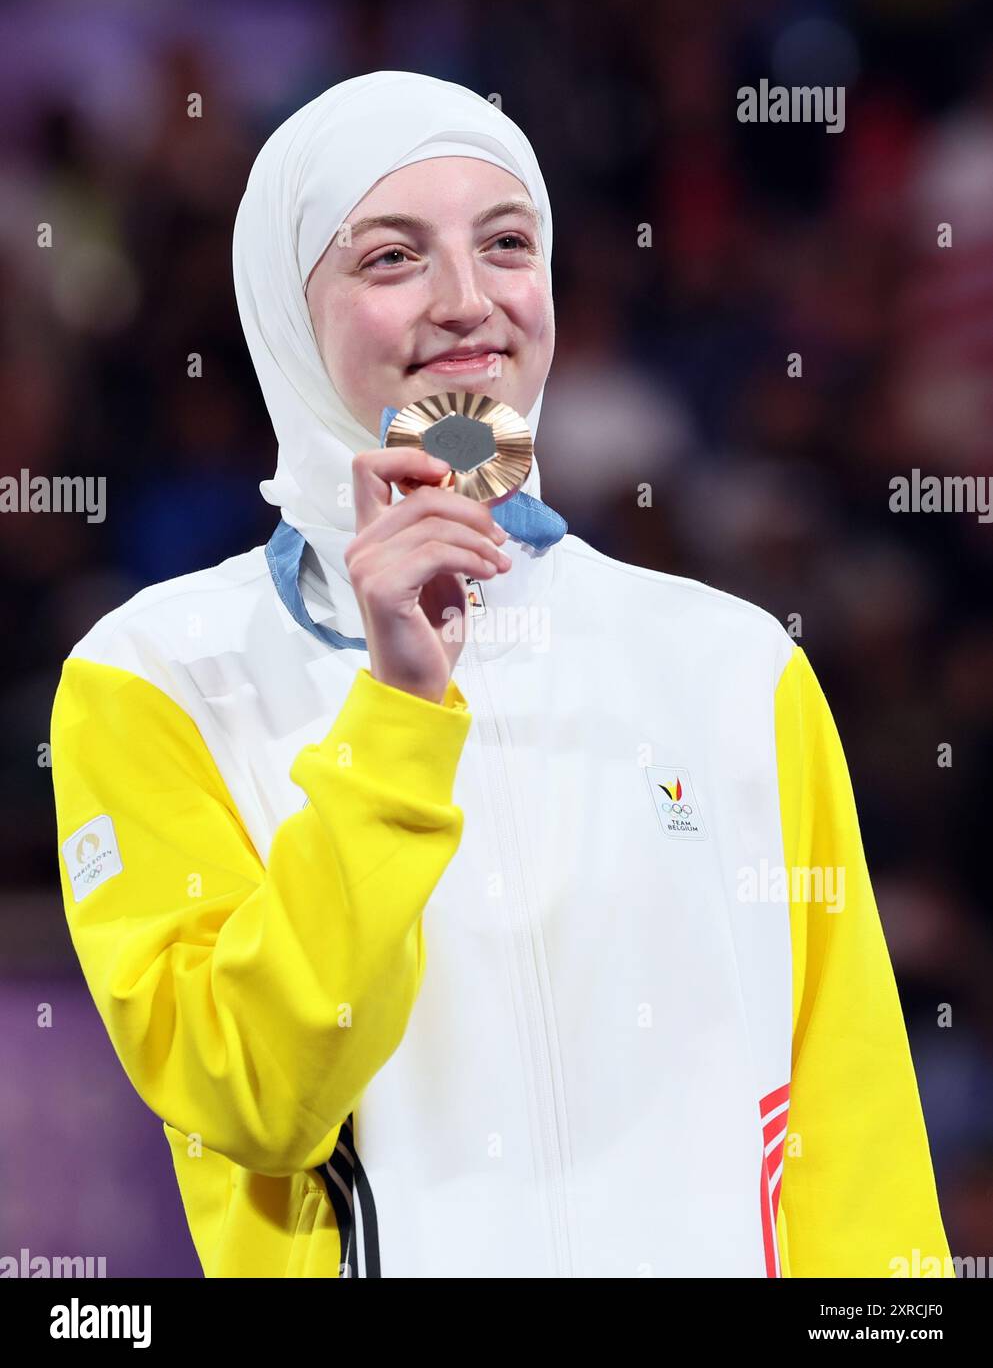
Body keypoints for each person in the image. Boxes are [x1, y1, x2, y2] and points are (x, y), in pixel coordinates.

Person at [50, 70, 954, 1278]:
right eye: (390, 260)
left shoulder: (733, 666)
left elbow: (853, 1136)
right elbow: (256, 1094)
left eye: (508, 244)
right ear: (282, 310)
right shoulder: (156, 675)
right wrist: (401, 718)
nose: (468, 303)